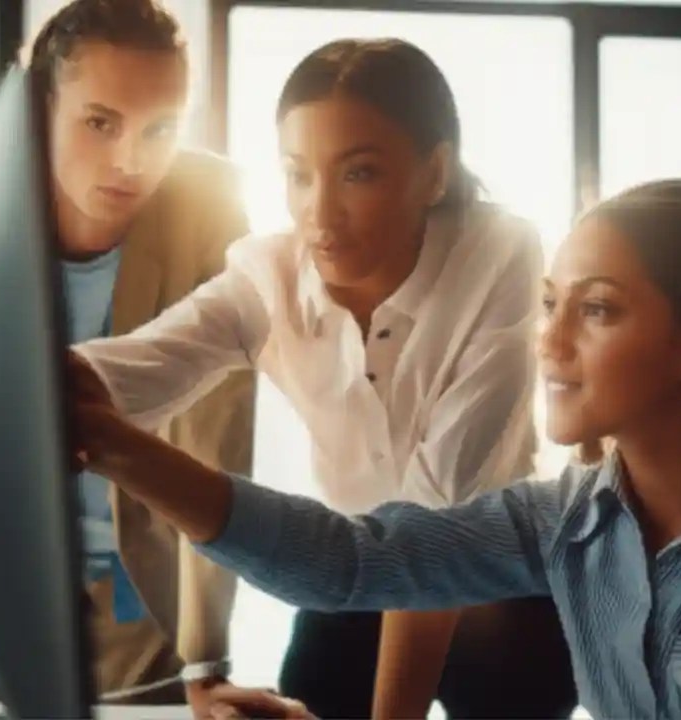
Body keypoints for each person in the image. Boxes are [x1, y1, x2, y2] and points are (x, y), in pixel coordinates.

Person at [68, 179, 681, 720]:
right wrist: (115, 446)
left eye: (596, 311)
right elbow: (352, 561)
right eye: (549, 303)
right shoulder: (565, 524)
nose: (548, 341)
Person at [71, 37, 578, 720]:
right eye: (297, 173)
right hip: (351, 575)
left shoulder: (498, 253)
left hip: (502, 599)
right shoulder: (267, 275)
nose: (319, 212)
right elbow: (127, 372)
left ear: (434, 173)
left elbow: (437, 515)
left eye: (358, 174)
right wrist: (5, 369)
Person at [0, 0, 256, 705]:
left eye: (161, 129)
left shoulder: (208, 207)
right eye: (99, 122)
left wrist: (207, 661)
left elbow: (219, 438)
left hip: (145, 599)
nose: (131, 160)